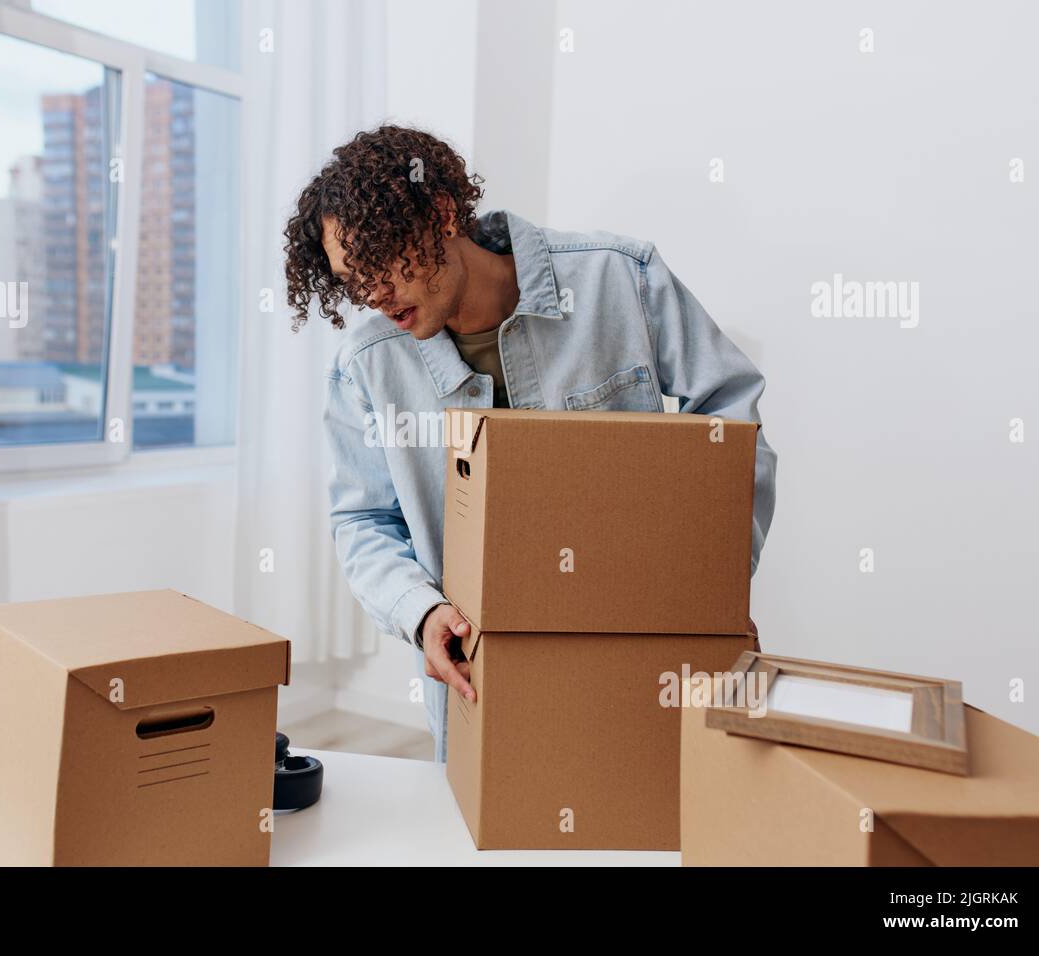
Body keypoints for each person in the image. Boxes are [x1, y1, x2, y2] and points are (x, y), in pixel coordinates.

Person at [282, 125, 777, 761]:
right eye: (353, 281)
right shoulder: (366, 367)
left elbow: (733, 419)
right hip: (481, 676)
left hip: (643, 646)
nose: (373, 295)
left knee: (650, 826)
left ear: (440, 215)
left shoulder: (620, 281)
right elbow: (363, 519)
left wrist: (715, 580)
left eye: (380, 260)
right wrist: (421, 613)